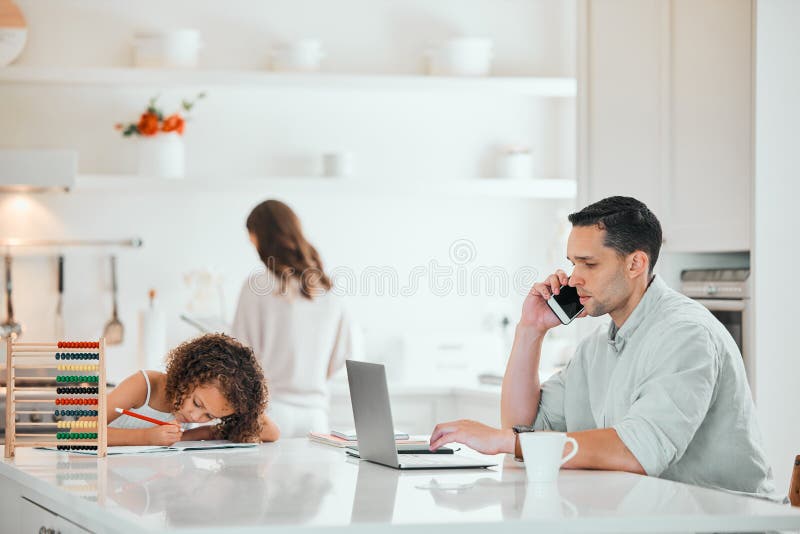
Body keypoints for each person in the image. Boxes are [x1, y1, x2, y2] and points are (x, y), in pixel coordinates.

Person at [430, 196, 775, 498]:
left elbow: (637, 451)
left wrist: (507, 442)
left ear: (635, 264)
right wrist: (530, 330)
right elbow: (522, 425)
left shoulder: (686, 335)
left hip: (724, 520)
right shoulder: (597, 347)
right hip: (653, 513)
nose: (573, 278)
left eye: (589, 263)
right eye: (573, 263)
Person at [232, 199, 359, 437]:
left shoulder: (256, 285)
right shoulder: (328, 289)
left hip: (271, 412)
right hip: (316, 415)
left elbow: (240, 353)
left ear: (260, 237)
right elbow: (343, 354)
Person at [105, 333, 280, 445]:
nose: (195, 417)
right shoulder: (144, 386)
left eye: (209, 416)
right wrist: (146, 438)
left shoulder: (196, 415)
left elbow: (271, 432)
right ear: (186, 375)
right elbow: (88, 432)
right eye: (197, 403)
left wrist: (248, 406)